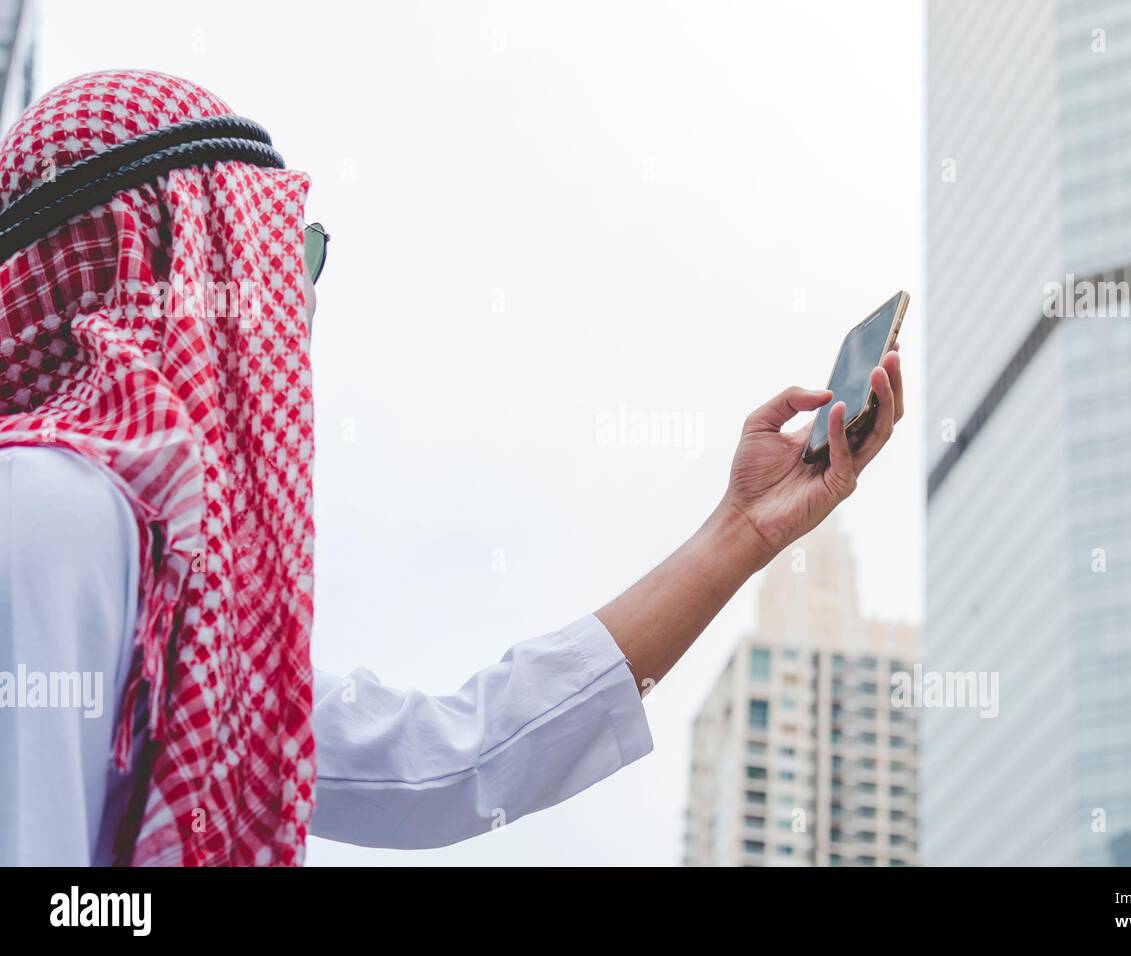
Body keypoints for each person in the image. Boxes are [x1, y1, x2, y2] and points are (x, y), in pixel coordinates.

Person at [0, 70, 903, 866]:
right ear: (171, 256)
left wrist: (741, 532)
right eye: (285, 251)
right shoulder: (51, 514)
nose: (297, 299)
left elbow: (454, 762)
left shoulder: (181, 591)